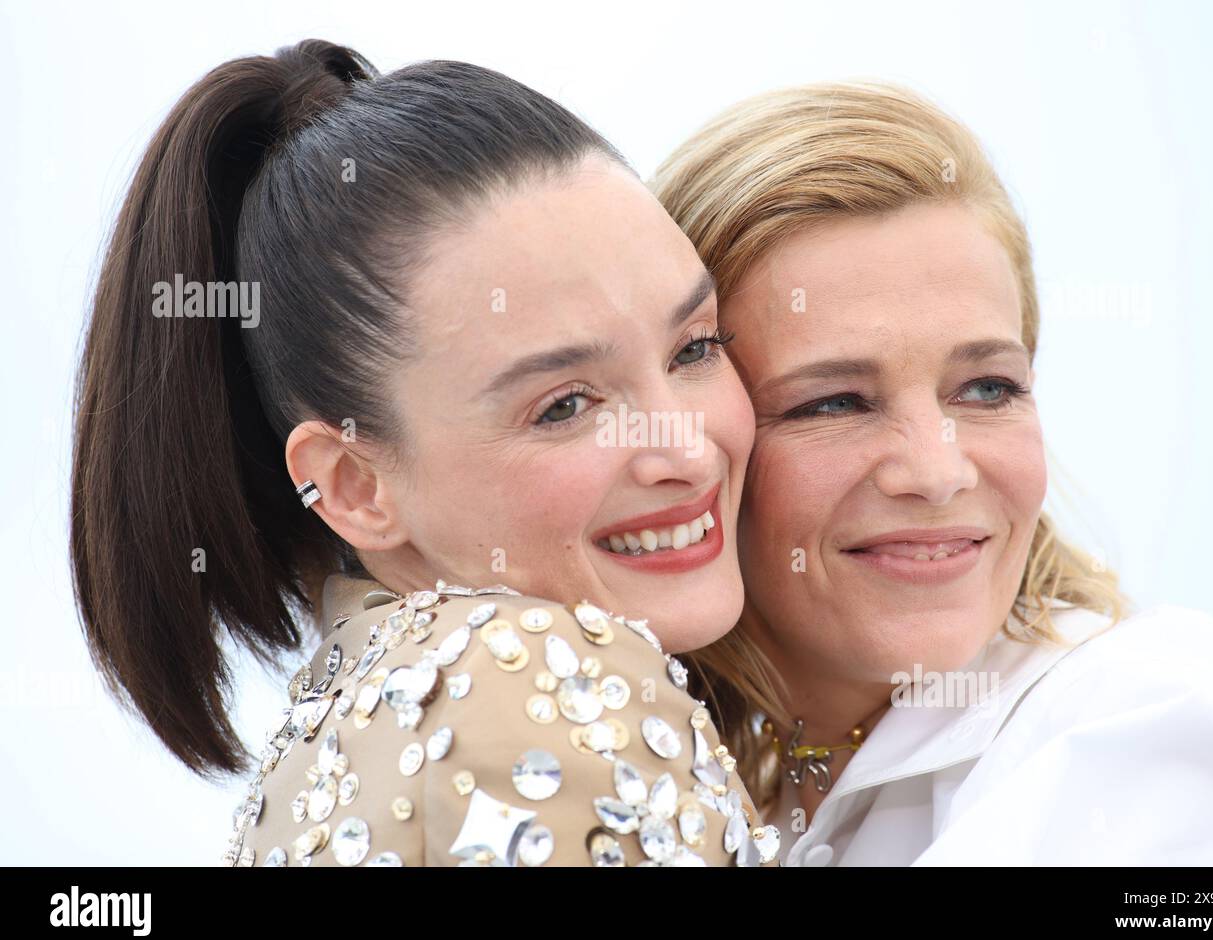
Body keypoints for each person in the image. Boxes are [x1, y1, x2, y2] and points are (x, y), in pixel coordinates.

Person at [70, 39, 777, 866]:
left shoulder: (345, 730)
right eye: (566, 405)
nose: (687, 452)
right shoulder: (540, 682)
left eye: (694, 349)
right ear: (354, 484)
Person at [653, 80, 1213, 865]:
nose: (937, 471)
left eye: (988, 388)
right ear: (695, 441)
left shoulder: (1149, 715)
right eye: (834, 403)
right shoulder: (705, 781)